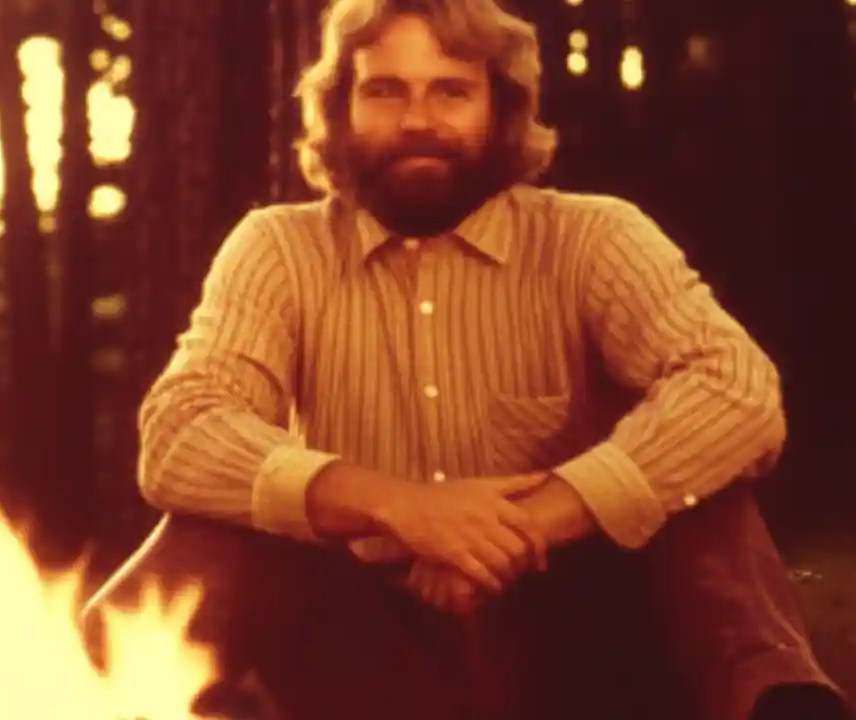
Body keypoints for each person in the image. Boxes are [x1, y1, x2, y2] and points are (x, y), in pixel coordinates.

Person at [82, 0, 850, 718]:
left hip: (577, 642)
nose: (418, 120)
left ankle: (782, 706)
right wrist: (401, 508)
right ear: (341, 109)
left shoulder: (594, 237)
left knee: (699, 487)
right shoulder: (278, 249)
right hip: (363, 652)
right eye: (385, 90)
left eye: (451, 91)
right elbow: (183, 430)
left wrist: (532, 521)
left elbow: (735, 389)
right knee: (218, 527)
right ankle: (87, 701)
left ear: (501, 108)